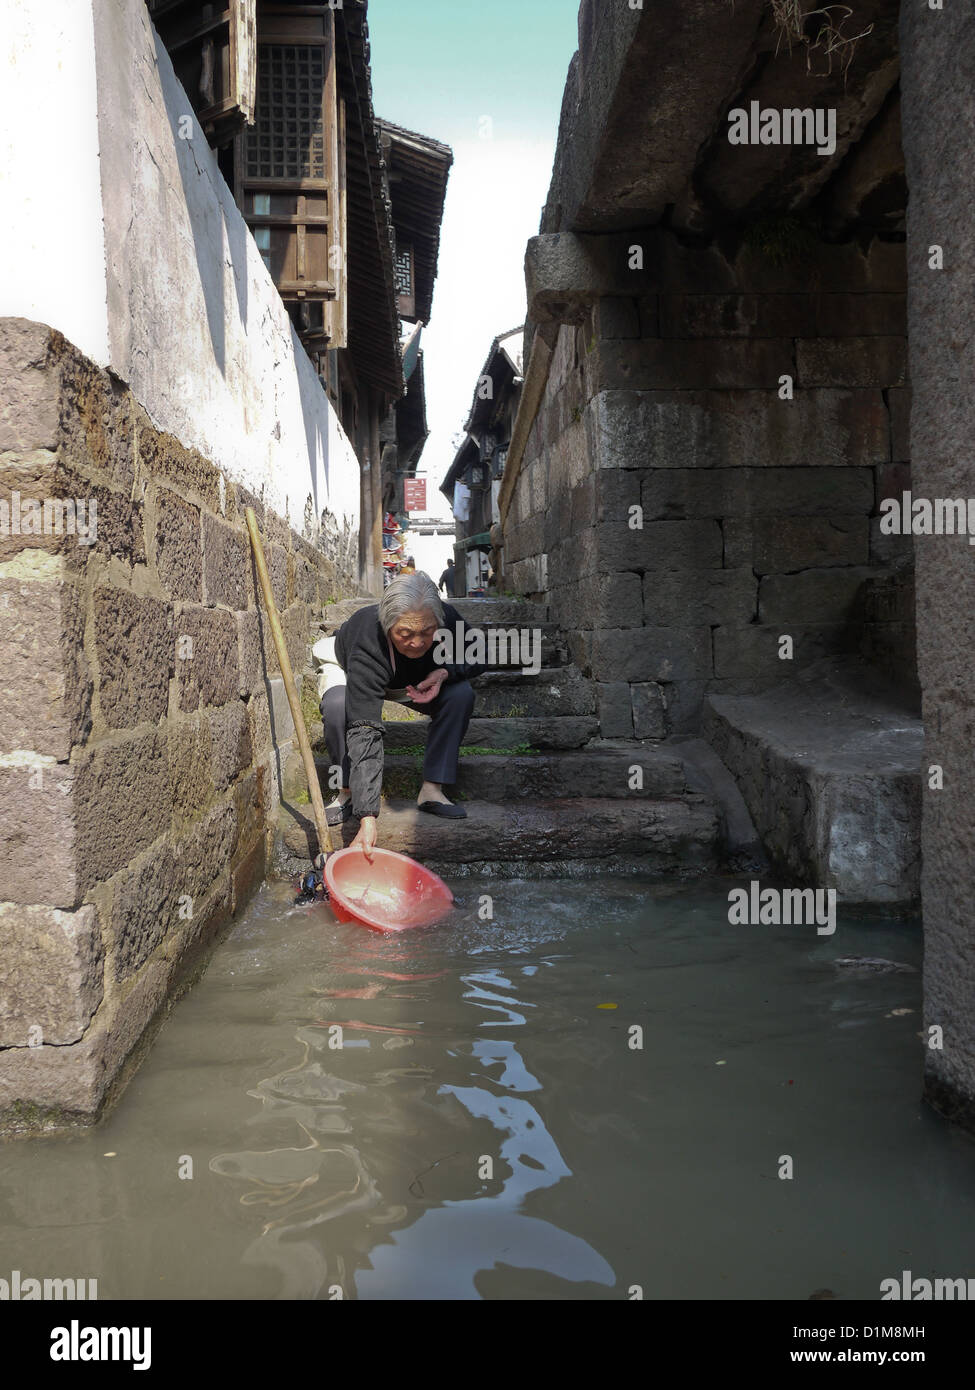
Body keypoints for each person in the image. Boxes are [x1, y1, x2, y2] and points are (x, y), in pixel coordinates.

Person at [316, 572, 487, 860]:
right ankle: (346, 791)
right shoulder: (366, 634)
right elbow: (364, 727)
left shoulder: (447, 619)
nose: (418, 643)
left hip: (416, 681)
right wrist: (367, 818)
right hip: (353, 673)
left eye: (427, 632)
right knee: (337, 704)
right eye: (406, 634)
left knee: (461, 694)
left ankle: (432, 790)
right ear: (387, 624)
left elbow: (479, 653)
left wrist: (445, 672)